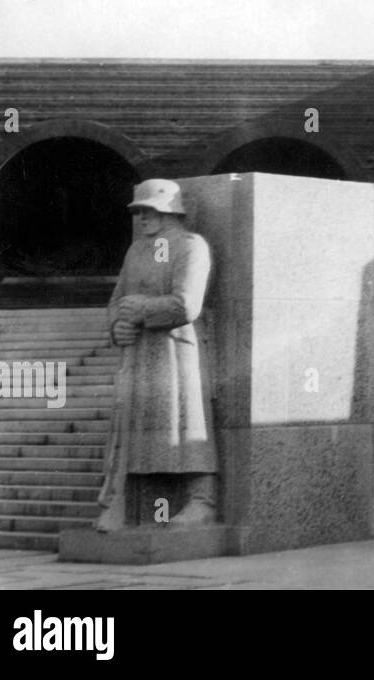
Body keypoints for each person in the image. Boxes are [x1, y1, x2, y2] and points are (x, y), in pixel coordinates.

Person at [96, 179, 219, 531]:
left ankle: (202, 499)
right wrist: (117, 326)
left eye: (148, 210)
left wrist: (142, 310)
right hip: (139, 352)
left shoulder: (191, 246)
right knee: (137, 430)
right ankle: (130, 503)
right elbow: (116, 300)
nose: (141, 217)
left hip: (175, 349)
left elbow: (187, 304)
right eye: (138, 211)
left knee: (186, 422)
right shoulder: (136, 251)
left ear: (170, 211)